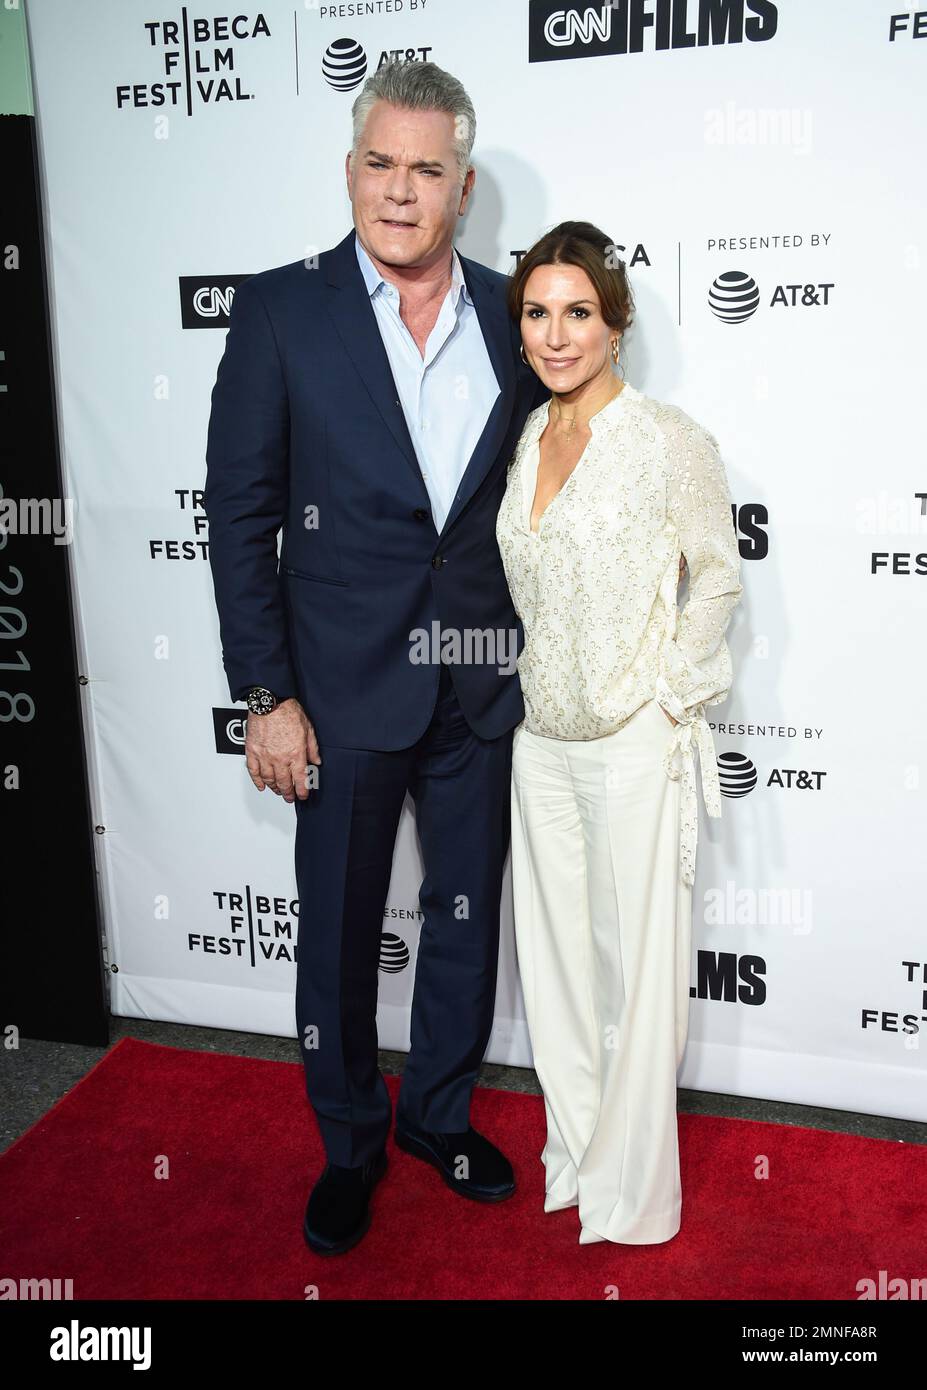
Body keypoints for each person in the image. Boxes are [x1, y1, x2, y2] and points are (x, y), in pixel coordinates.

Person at [203, 60, 550, 1256]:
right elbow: (240, 514)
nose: (400, 192)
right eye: (379, 163)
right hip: (338, 690)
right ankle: (351, 1140)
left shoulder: (516, 317)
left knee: (462, 918)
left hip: (479, 680)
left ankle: (437, 1116)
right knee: (341, 934)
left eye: (427, 170)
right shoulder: (280, 311)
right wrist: (268, 694)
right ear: (351, 167)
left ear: (462, 185)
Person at [495, 221, 743, 1244]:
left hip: (637, 740)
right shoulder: (529, 436)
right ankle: (578, 1154)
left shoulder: (666, 437)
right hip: (540, 743)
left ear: (616, 319)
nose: (558, 335)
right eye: (538, 314)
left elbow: (718, 574)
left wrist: (671, 699)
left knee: (636, 974)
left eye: (579, 312)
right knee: (557, 969)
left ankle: (635, 1193)